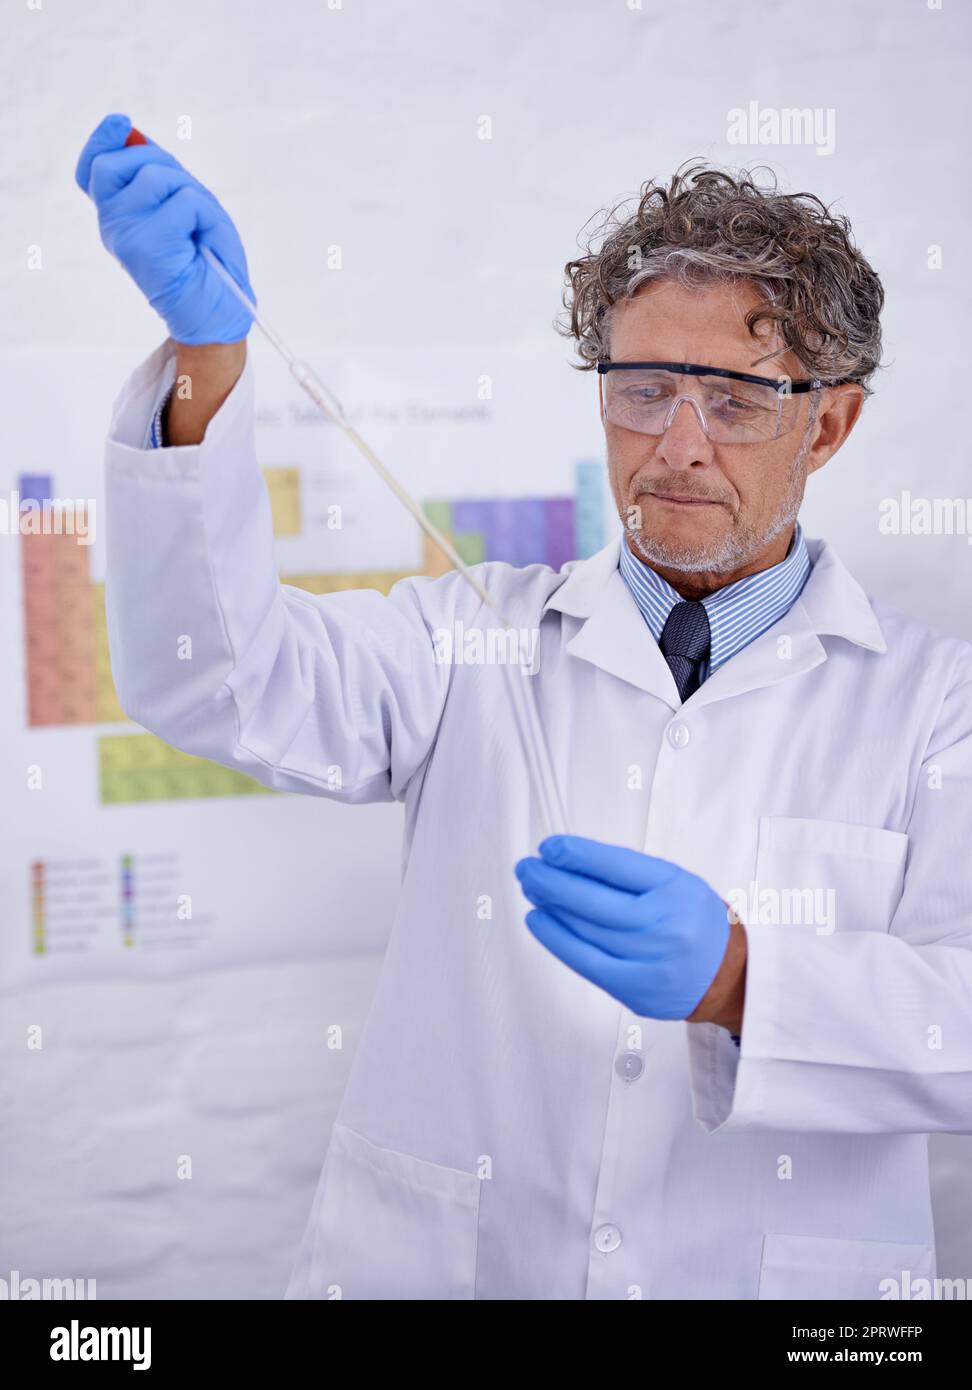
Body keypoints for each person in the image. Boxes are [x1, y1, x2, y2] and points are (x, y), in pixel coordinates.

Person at [77, 113, 972, 1301]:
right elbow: (214, 679)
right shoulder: (469, 637)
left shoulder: (936, 706)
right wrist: (206, 358)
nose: (678, 447)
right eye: (643, 389)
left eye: (740, 402)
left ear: (835, 422)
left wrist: (744, 980)